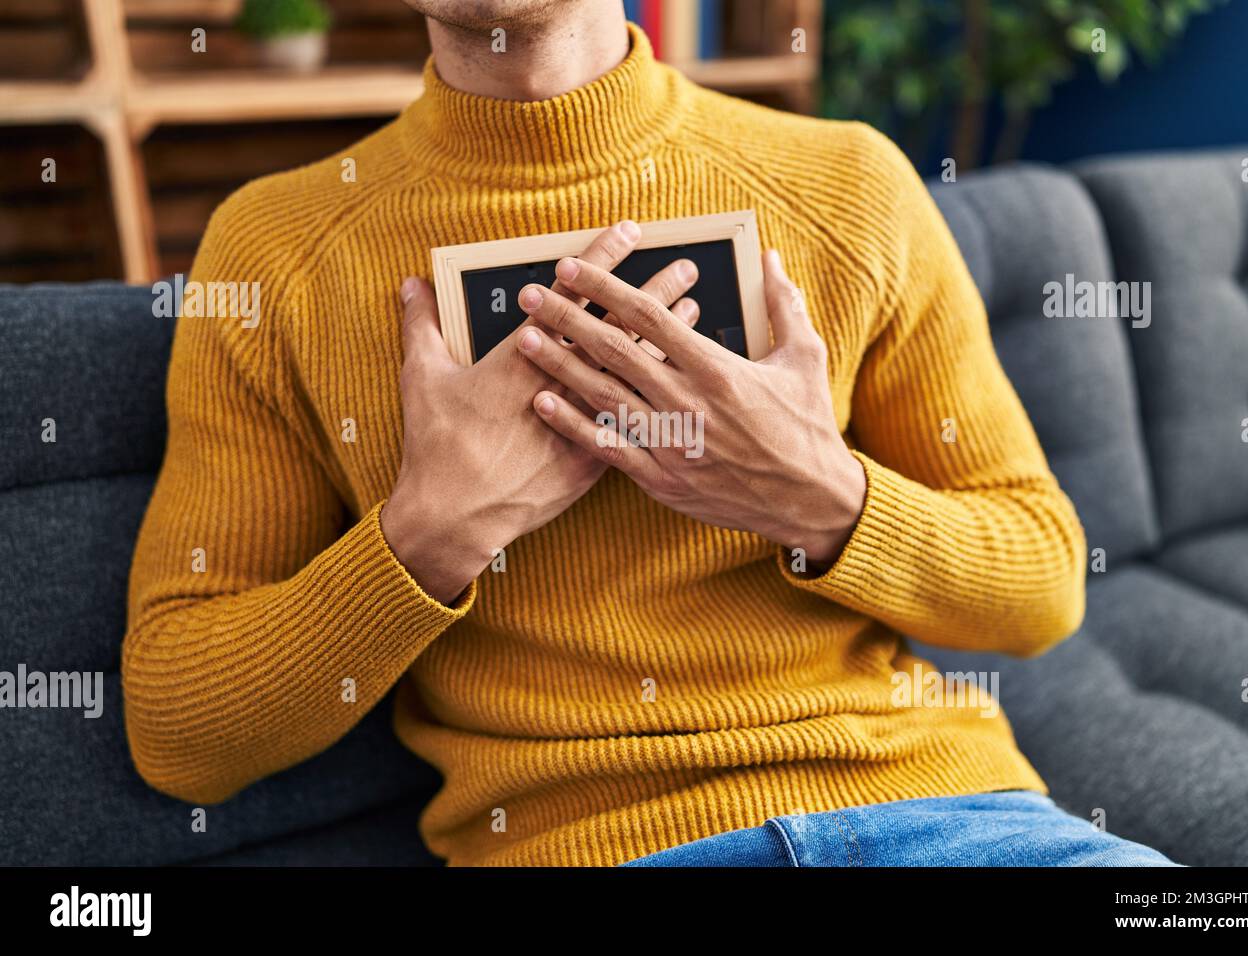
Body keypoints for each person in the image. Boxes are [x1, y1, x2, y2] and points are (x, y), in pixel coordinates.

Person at [121, 0, 1176, 867]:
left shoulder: (850, 183)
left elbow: (1043, 580)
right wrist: (425, 537)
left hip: (957, 823)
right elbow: (177, 726)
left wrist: (823, 498)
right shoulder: (274, 252)